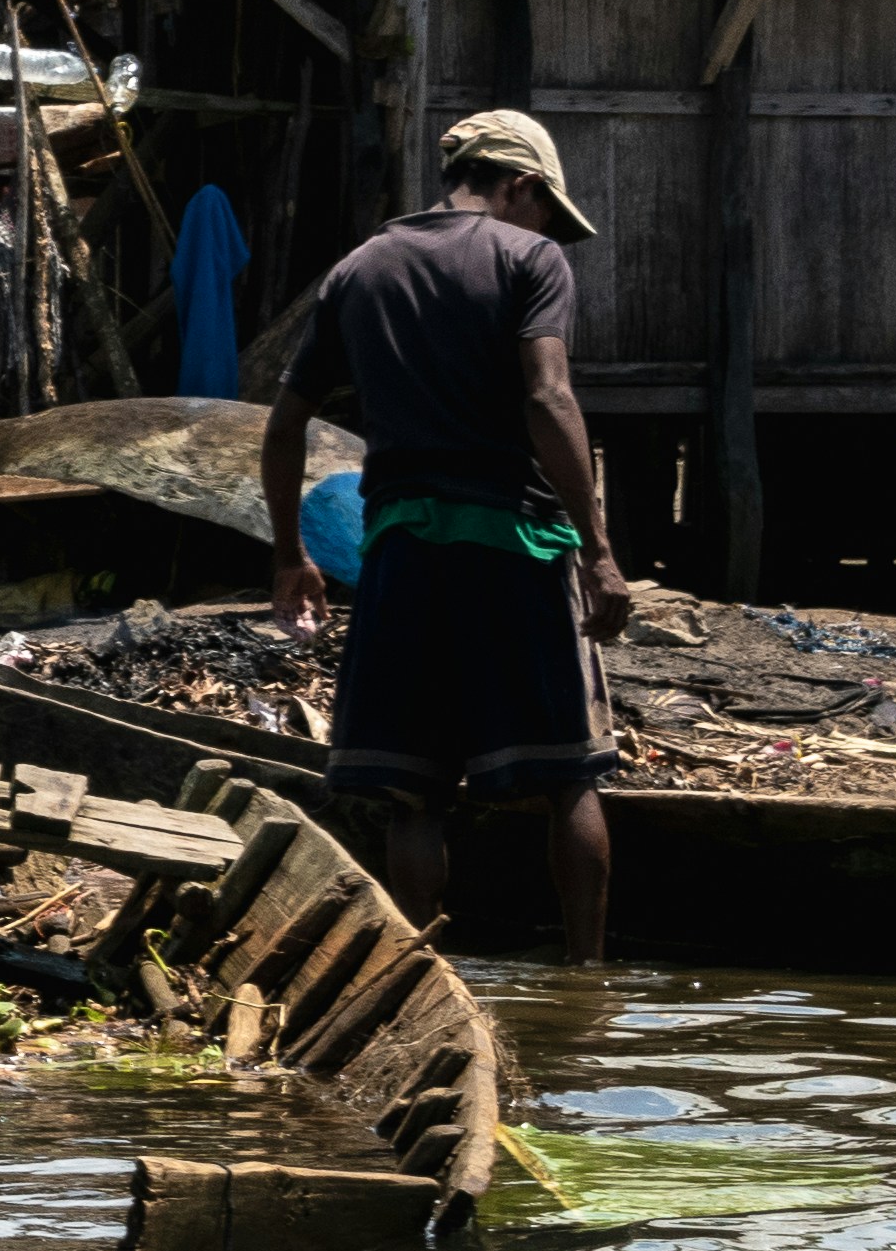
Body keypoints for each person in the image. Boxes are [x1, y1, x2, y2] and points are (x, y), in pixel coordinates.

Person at [264, 109, 637, 959]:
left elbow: (285, 423)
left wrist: (291, 556)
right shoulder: (528, 258)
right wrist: (599, 552)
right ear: (521, 187)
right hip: (518, 544)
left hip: (400, 553)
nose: (548, 230)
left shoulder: (358, 269)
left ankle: (420, 970)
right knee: (570, 773)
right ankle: (585, 981)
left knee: (414, 794)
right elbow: (547, 398)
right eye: (545, 209)